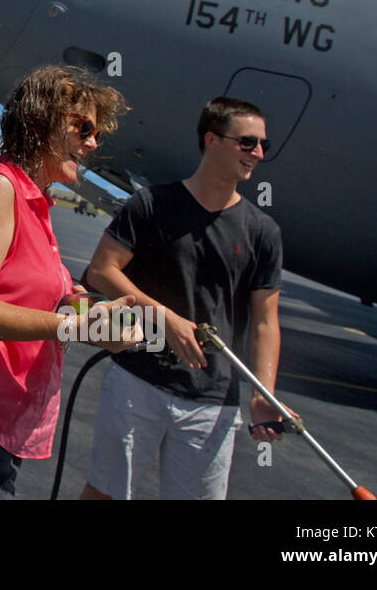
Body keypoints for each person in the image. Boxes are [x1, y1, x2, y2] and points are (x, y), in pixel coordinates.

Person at [0, 65, 139, 499]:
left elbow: (21, 297)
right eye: (83, 127)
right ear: (40, 119)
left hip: (0, 427)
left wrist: (78, 307)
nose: (91, 143)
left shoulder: (34, 200)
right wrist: (72, 326)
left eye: (97, 134)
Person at [79, 96, 289, 500]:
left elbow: (265, 321)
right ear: (212, 139)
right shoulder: (153, 204)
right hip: (137, 379)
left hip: (212, 399)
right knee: (105, 494)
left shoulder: (263, 231)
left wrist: (264, 393)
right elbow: (102, 270)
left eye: (263, 144)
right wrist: (164, 318)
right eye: (247, 142)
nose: (258, 154)